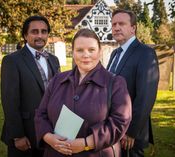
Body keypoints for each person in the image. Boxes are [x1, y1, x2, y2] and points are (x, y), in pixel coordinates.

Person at [35, 28, 132, 157]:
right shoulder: (57, 80)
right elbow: (40, 114)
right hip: (55, 152)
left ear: (99, 52)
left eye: (91, 50)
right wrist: (48, 138)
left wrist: (86, 143)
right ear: (73, 53)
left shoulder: (115, 83)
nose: (85, 55)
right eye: (80, 50)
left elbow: (120, 122)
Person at [0, 15, 60, 157]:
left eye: (44, 31)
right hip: (25, 132)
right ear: (25, 35)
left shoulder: (54, 60)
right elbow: (9, 101)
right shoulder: (12, 61)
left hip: (50, 131)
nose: (40, 35)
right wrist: (17, 135)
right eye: (35, 31)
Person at [107, 9, 159, 157]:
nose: (116, 27)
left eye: (121, 24)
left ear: (133, 28)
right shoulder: (115, 53)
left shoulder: (145, 53)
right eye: (114, 24)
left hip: (130, 134)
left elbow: (145, 97)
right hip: (112, 126)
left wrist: (131, 131)